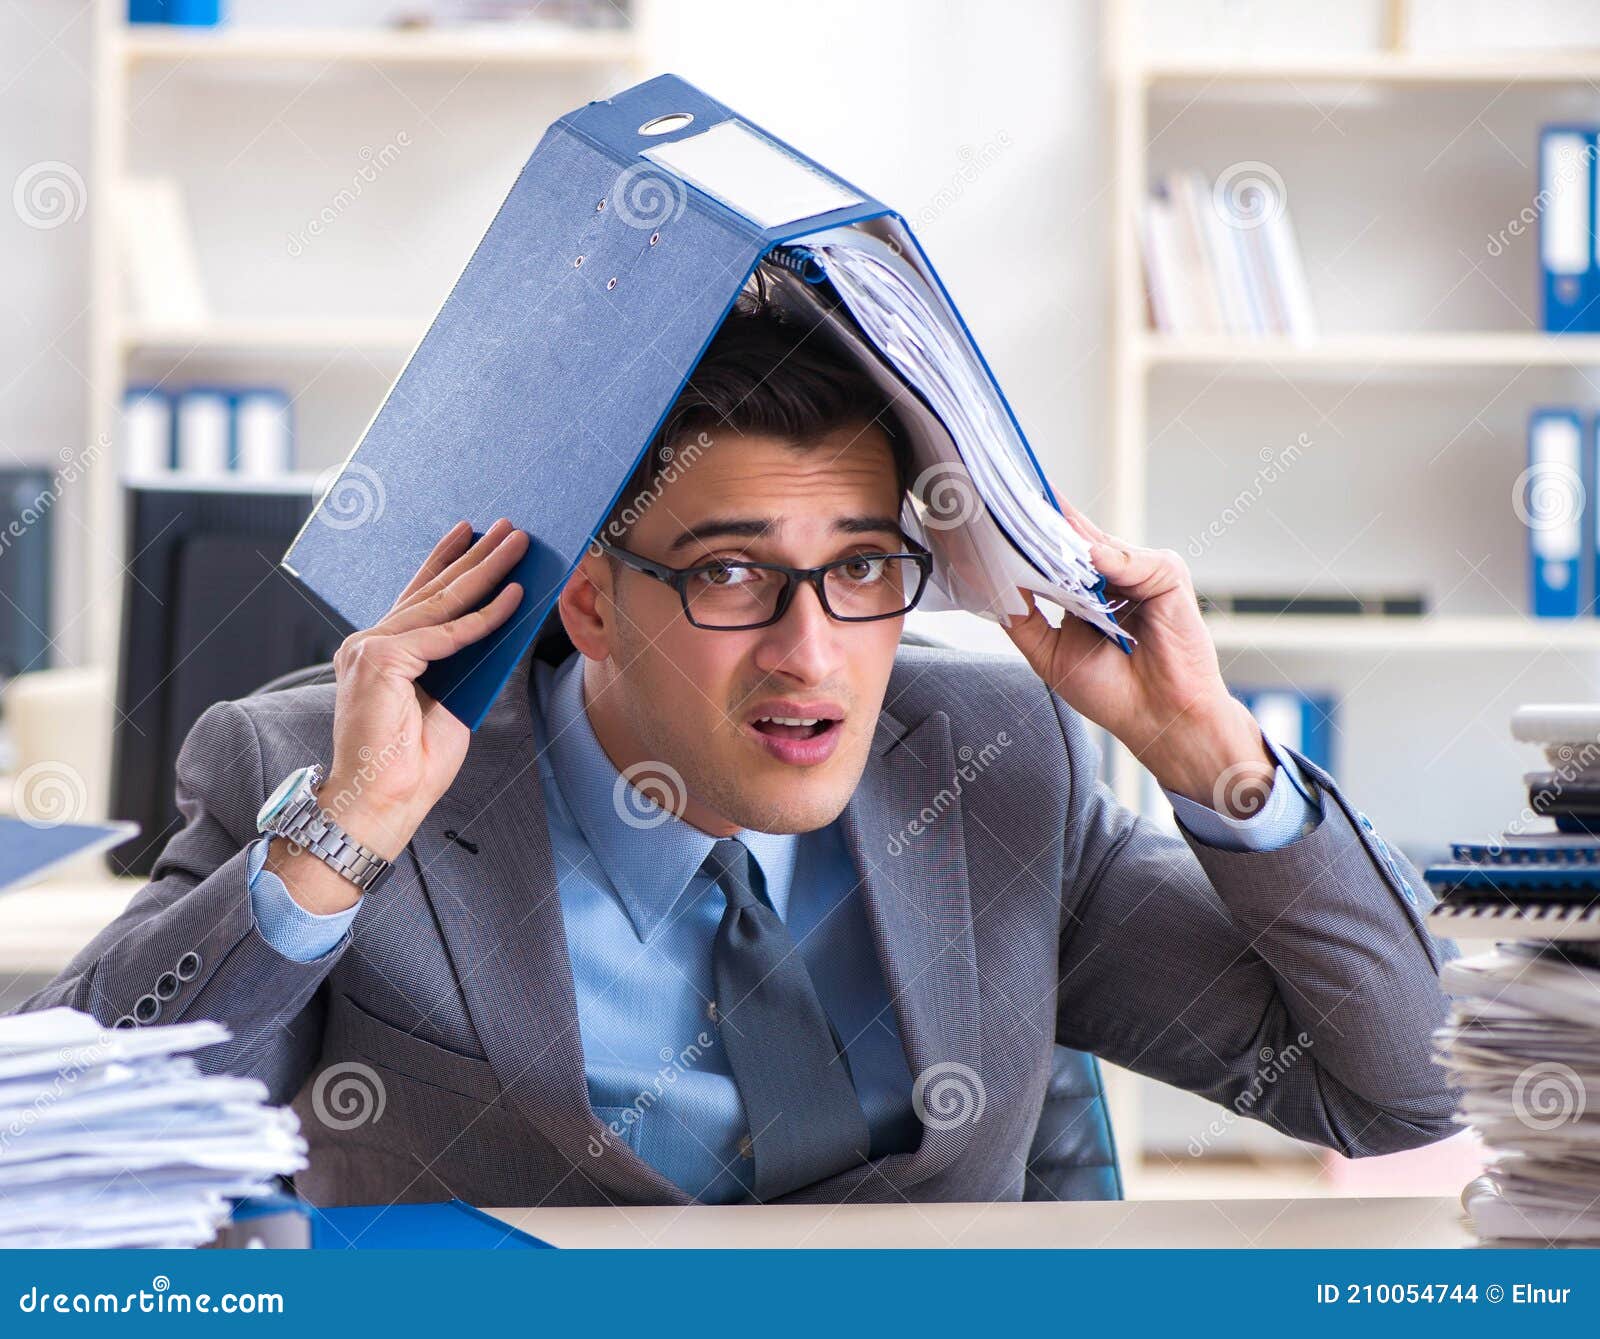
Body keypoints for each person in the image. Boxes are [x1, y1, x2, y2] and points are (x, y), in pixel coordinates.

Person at [19, 298, 1461, 1207]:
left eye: (863, 569)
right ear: (588, 596)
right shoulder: (338, 770)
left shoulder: (991, 758)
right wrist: (341, 839)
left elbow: (1405, 1088)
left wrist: (1213, 755)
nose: (810, 651)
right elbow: (82, 1152)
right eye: (726, 574)